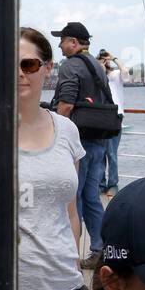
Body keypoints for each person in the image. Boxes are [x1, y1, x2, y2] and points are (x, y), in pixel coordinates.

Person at [18, 27, 89, 290]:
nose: (18, 73)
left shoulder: (67, 131)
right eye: (7, 65)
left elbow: (70, 209)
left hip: (60, 289)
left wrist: (75, 260)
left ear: (47, 69)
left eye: (28, 64)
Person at [50, 21, 114, 267]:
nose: (60, 45)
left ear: (74, 43)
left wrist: (57, 140)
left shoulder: (71, 66)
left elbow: (65, 105)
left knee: (72, 199)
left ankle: (69, 257)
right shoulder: (98, 67)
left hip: (79, 143)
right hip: (98, 140)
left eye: (63, 40)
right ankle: (100, 249)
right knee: (91, 197)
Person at [98, 49, 124, 196]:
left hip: (115, 115)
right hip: (101, 116)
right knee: (101, 152)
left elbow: (125, 71)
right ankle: (101, 183)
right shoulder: (98, 77)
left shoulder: (115, 75)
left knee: (112, 153)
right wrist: (100, 65)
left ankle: (113, 183)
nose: (104, 61)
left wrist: (113, 58)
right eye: (102, 59)